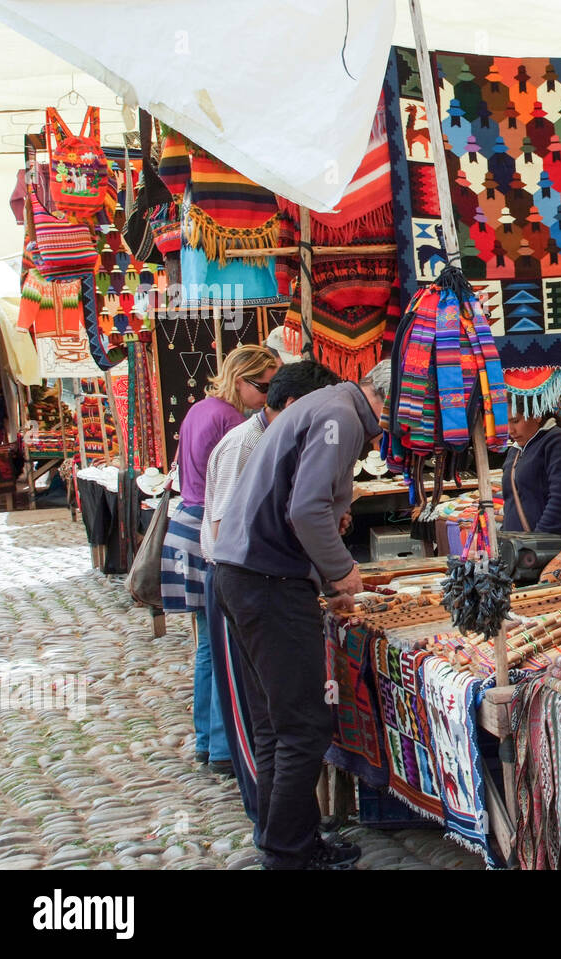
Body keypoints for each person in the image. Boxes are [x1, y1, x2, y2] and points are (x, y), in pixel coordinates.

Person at [212, 360, 388, 870]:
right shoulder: (342, 414)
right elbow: (306, 510)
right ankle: (288, 855)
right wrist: (341, 571)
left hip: (244, 572)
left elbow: (304, 502)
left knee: (276, 726)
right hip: (267, 581)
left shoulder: (325, 406)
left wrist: (323, 563)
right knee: (304, 727)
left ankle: (287, 841)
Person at [199, 360, 341, 832]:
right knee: (284, 724)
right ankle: (280, 838)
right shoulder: (246, 443)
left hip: (258, 582)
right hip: (251, 586)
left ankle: (289, 834)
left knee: (279, 724)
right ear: (296, 405)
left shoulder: (286, 439)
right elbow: (227, 530)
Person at [160, 344, 279, 776]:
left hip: (188, 523)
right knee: (223, 644)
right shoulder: (233, 422)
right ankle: (226, 744)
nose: (270, 397)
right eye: (265, 387)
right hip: (209, 531)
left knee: (209, 644)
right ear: (242, 380)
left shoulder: (200, 410)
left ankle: (209, 739)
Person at [501, 409, 561, 535]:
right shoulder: (516, 449)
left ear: (537, 415)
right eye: (505, 422)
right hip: (520, 548)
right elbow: (511, 501)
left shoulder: (559, 442)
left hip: (546, 549)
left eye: (515, 421)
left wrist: (536, 543)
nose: (510, 430)